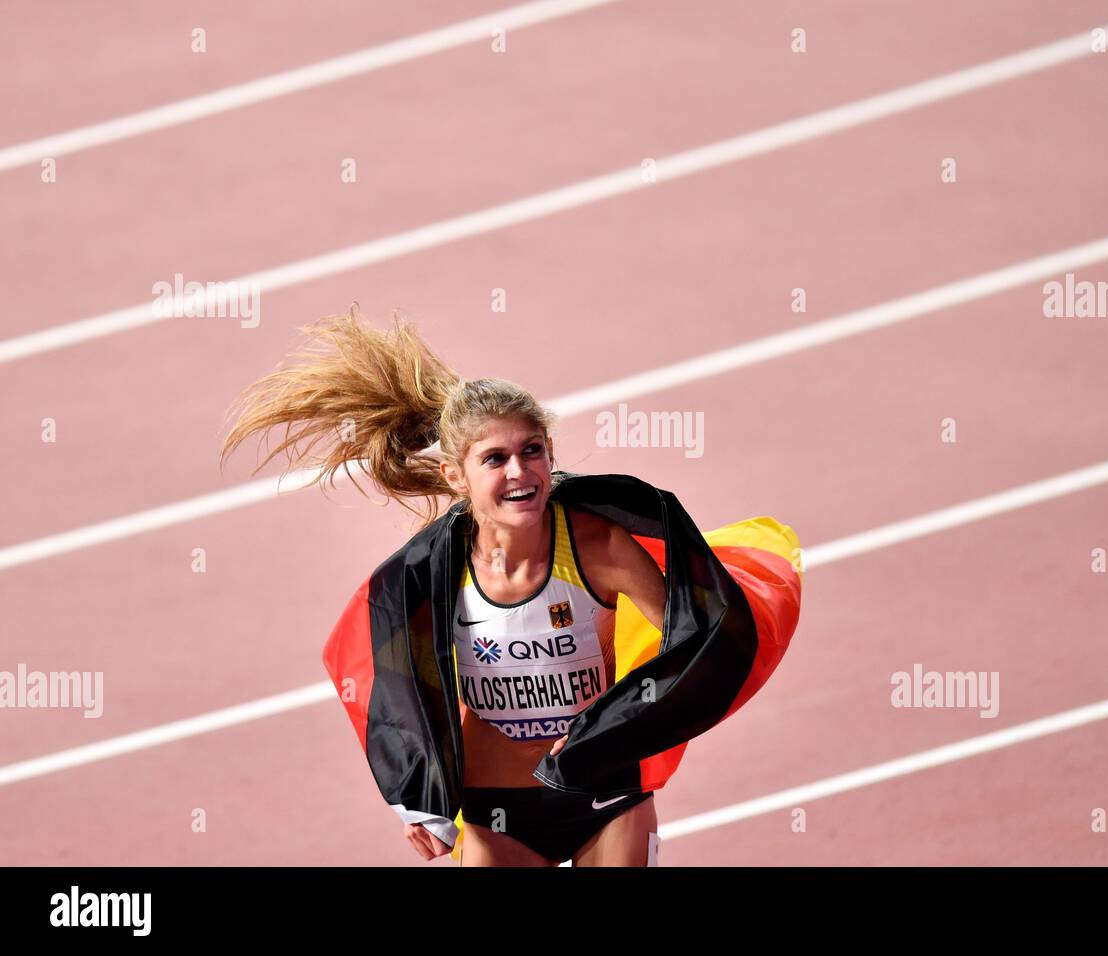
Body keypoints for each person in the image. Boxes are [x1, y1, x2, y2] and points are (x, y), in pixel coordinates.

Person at [219, 306, 803, 866]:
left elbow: (697, 642)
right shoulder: (433, 574)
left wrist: (623, 724)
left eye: (532, 451)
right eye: (494, 459)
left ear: (552, 455)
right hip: (497, 808)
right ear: (456, 475)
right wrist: (417, 797)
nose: (519, 472)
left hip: (604, 790)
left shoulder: (596, 547)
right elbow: (400, 690)